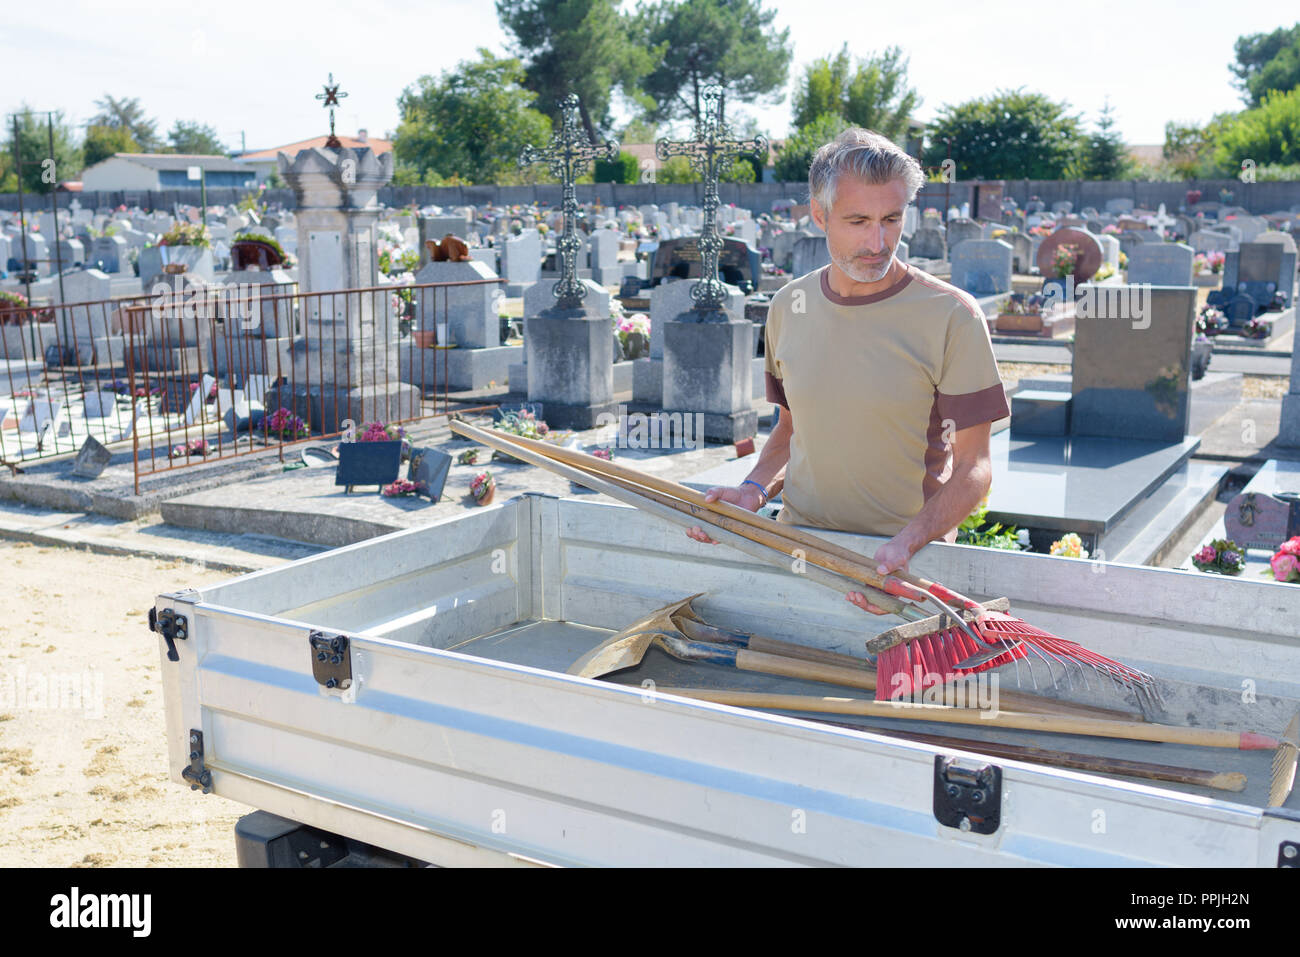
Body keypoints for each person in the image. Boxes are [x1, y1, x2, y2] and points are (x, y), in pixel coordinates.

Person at [687, 128, 1009, 616]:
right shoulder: (787, 307)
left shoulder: (952, 316)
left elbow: (974, 467)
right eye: (858, 221)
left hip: (901, 570)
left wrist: (909, 544)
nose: (878, 242)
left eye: (891, 219)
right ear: (819, 214)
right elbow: (792, 431)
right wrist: (752, 491)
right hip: (799, 555)